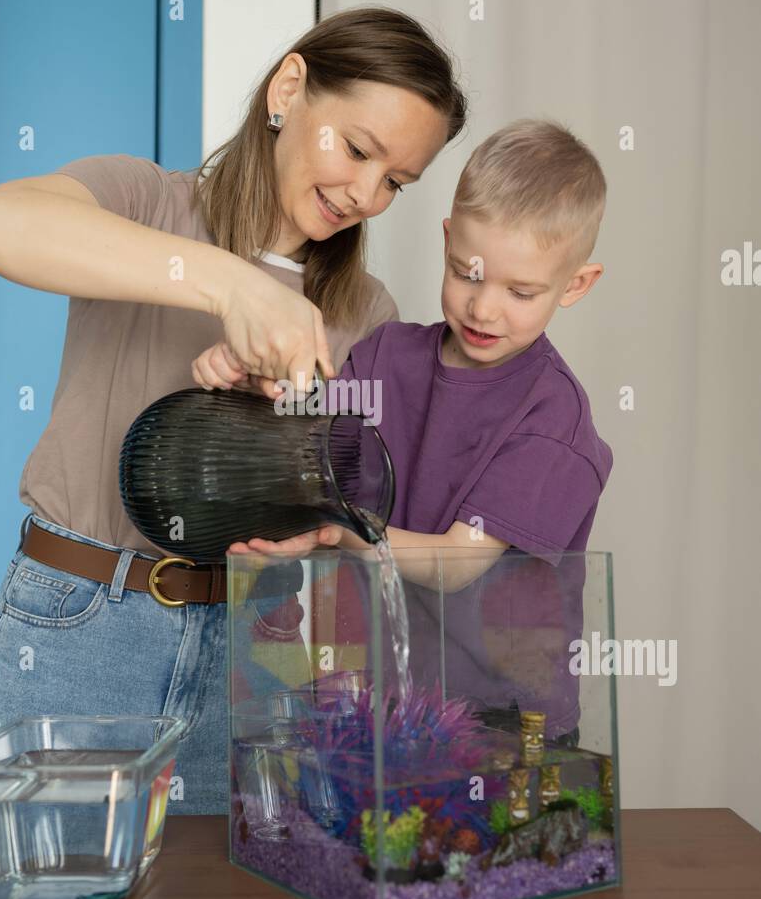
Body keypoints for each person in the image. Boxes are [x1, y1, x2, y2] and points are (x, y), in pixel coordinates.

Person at [0, 5, 466, 899]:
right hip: (81, 631)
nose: (365, 192)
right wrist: (224, 281)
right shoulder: (143, 202)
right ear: (287, 91)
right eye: (356, 148)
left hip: (264, 649)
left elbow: (363, 524)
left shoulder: (363, 311)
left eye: (395, 180)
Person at [217, 118, 614, 745]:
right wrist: (251, 374)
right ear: (449, 240)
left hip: (506, 720)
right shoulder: (385, 358)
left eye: (521, 291)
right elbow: (311, 459)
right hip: (376, 699)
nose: (484, 308)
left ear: (576, 285)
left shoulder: (553, 418)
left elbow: (455, 563)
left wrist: (331, 531)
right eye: (468, 272)